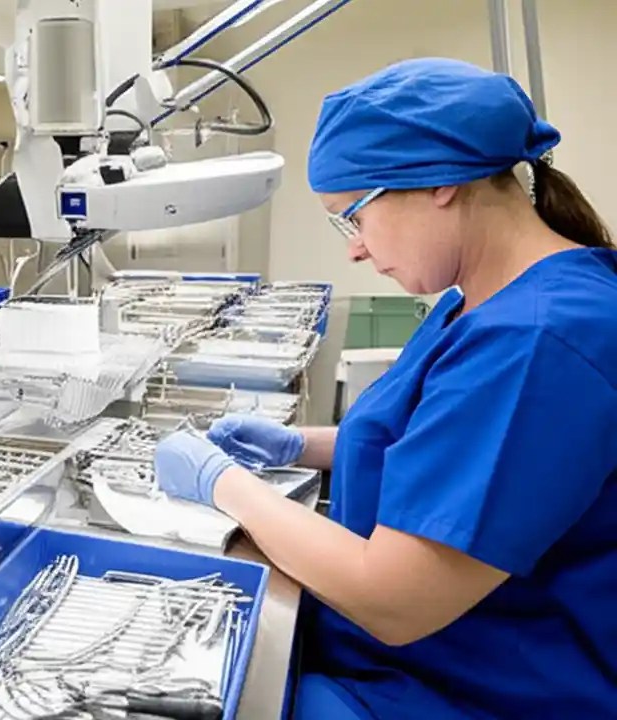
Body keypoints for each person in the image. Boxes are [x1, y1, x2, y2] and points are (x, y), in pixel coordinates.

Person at [153, 57, 617, 719]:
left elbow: (396, 599)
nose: (354, 249)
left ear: (438, 183)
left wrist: (222, 483)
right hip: (417, 659)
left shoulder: (540, 341)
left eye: (354, 218)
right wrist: (298, 445)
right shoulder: (485, 301)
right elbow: (449, 446)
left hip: (468, 688)